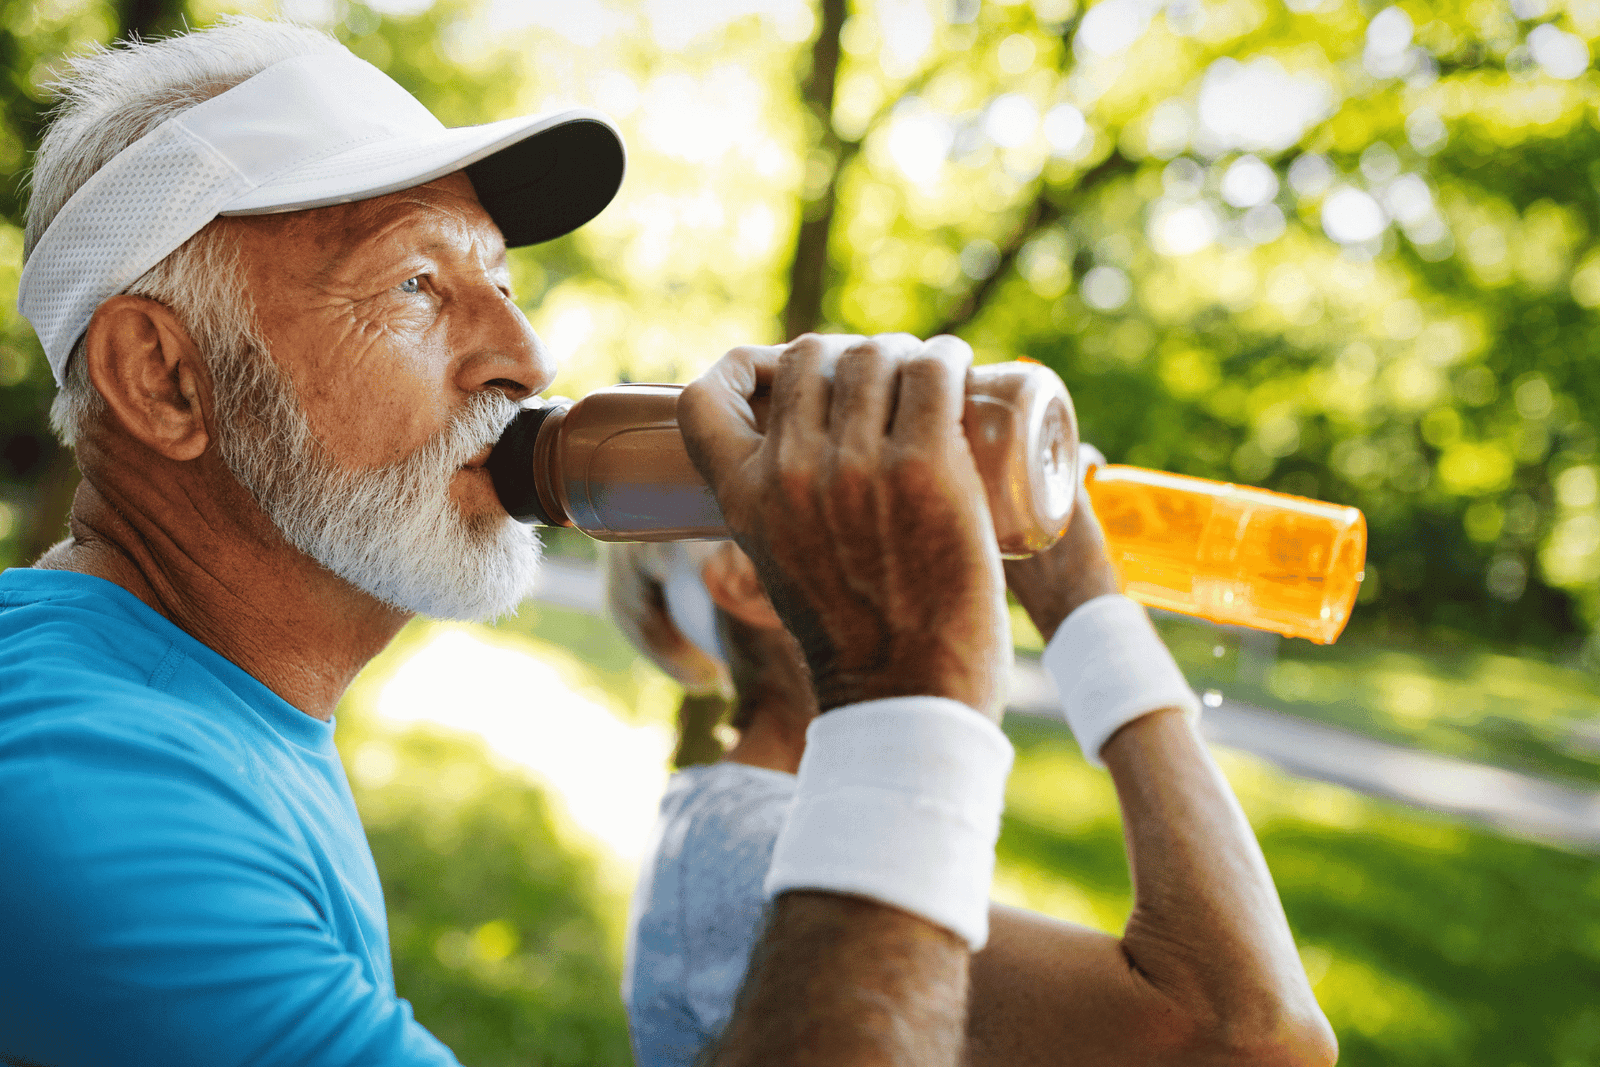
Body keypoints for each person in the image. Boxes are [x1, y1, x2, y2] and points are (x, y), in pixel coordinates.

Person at [4, 17, 1025, 1067]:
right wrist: (911, 693)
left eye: (501, 280)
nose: (527, 358)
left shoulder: (186, 702)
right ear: (163, 377)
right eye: (413, 284)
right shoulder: (91, 806)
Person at [609, 464, 1339, 1067]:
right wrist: (1089, 612)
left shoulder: (764, 820)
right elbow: (1251, 1034)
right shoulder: (754, 851)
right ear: (746, 578)